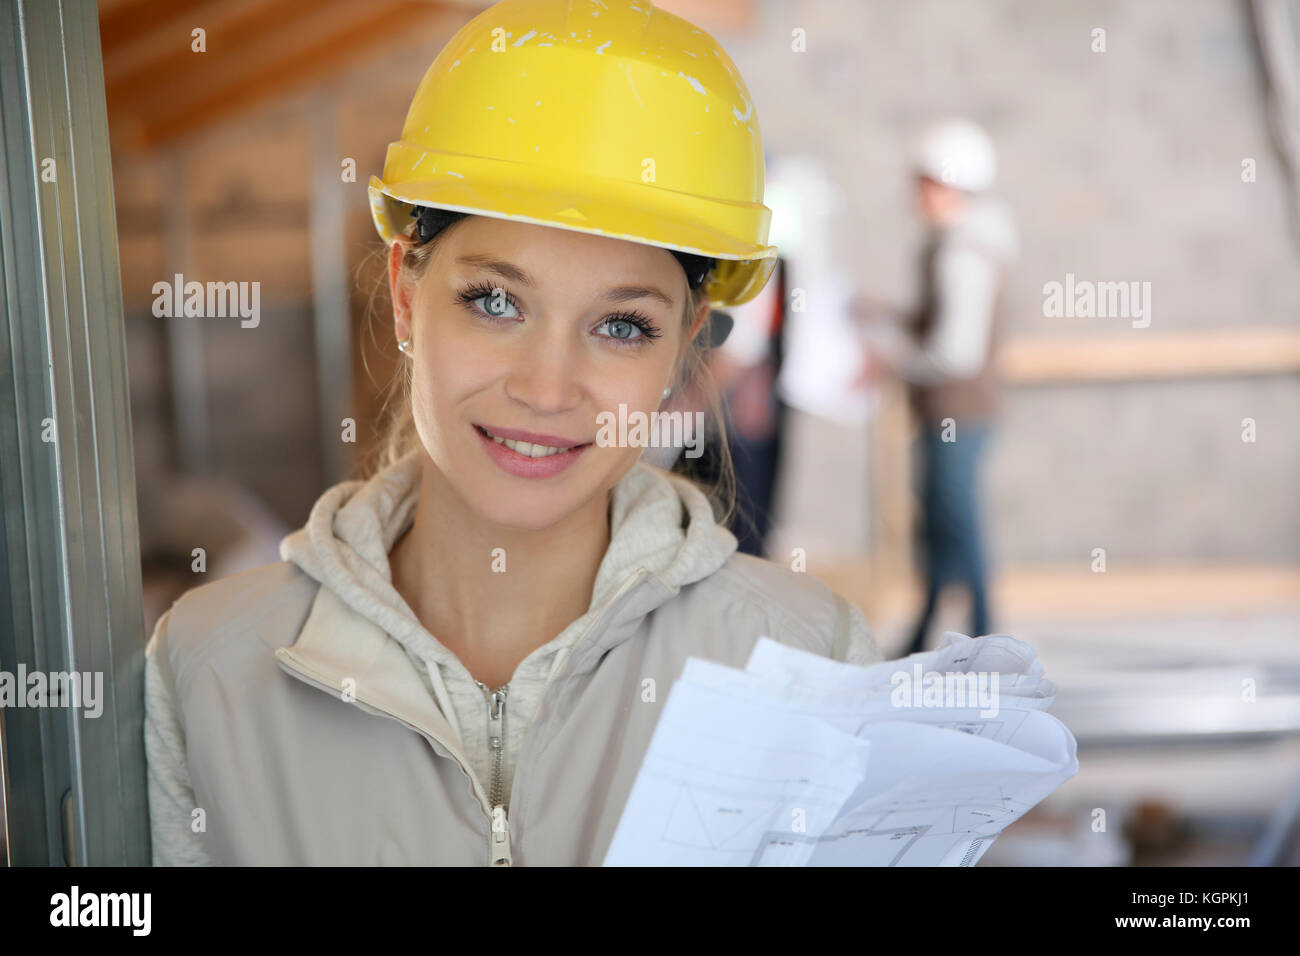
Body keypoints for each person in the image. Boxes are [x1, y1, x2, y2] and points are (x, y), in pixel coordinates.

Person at [142, 0, 882, 866]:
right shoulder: (208, 669)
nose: (545, 387)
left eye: (622, 326)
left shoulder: (806, 661)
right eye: (495, 301)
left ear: (684, 347)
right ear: (408, 295)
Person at [853, 119, 1019, 656]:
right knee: (941, 523)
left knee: (956, 521)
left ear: (943, 185)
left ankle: (984, 634)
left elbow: (955, 350)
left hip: (957, 408)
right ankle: (930, 629)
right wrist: (892, 316)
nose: (915, 194)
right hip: (951, 409)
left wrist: (890, 358)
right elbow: (938, 322)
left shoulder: (962, 251)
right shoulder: (955, 242)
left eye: (923, 182)